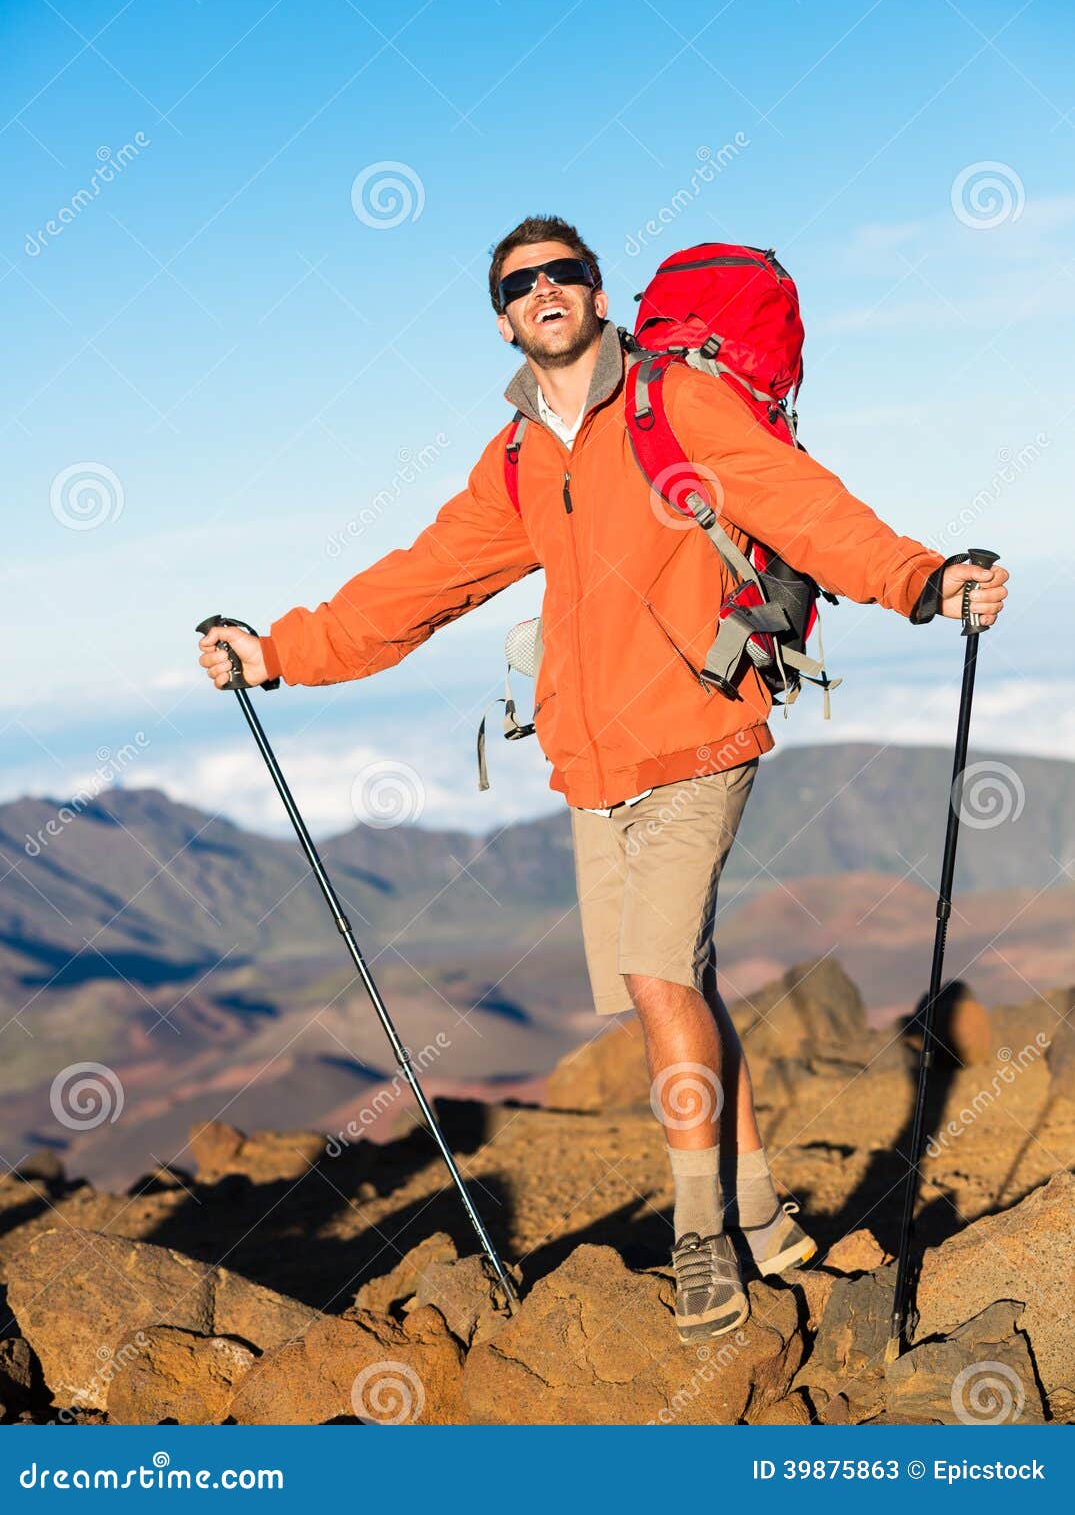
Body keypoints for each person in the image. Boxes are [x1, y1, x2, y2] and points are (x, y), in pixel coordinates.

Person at [197, 215, 1009, 1344]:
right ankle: (766, 1214)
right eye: (519, 281)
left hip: (697, 733)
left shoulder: (676, 403)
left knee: (659, 975)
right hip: (589, 761)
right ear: (501, 318)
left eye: (561, 273)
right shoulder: (522, 457)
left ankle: (701, 1238)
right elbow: (418, 586)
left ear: (594, 290)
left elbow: (802, 505)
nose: (543, 290)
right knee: (665, 984)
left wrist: (924, 577)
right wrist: (278, 652)